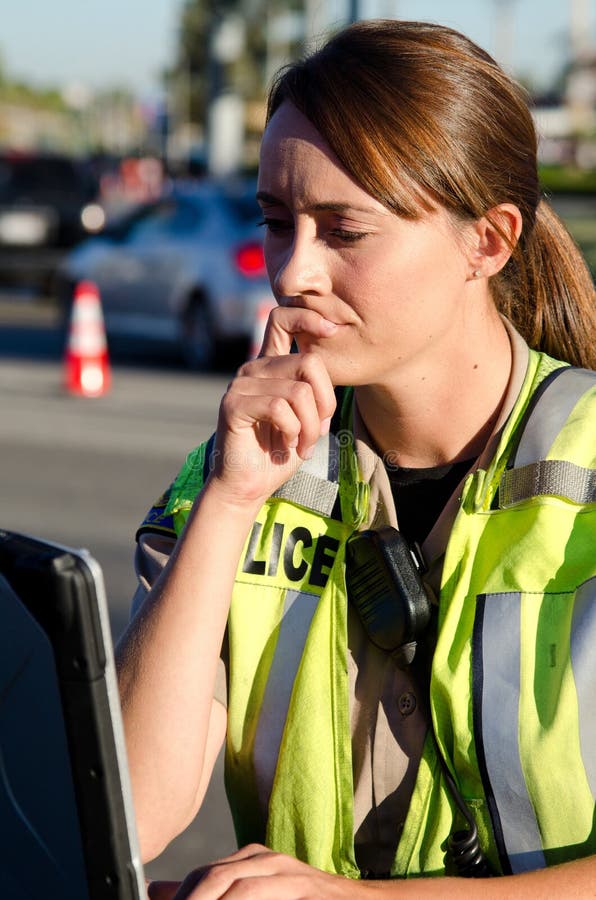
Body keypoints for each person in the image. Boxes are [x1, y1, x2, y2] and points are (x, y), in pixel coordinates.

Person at [116, 19, 596, 899]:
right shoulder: (234, 472)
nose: (293, 272)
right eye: (275, 222)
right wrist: (228, 502)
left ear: (487, 241)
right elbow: (131, 813)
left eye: (344, 230)